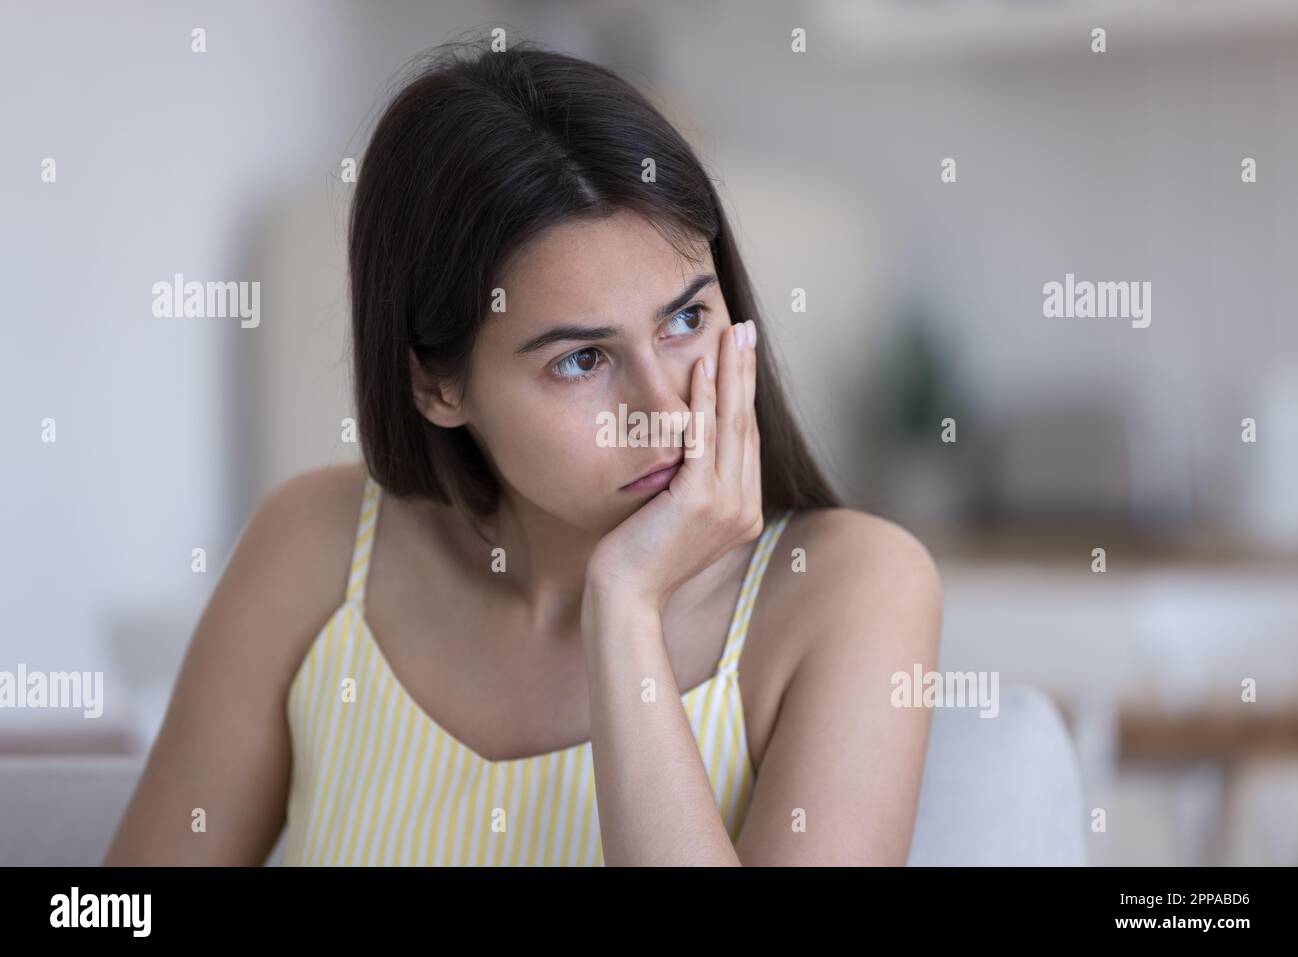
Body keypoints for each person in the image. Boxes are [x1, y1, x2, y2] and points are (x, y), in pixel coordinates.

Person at [104, 38, 941, 867]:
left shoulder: (852, 590)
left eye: (686, 319)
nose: (664, 409)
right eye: (581, 359)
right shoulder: (313, 550)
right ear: (438, 387)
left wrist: (623, 608)